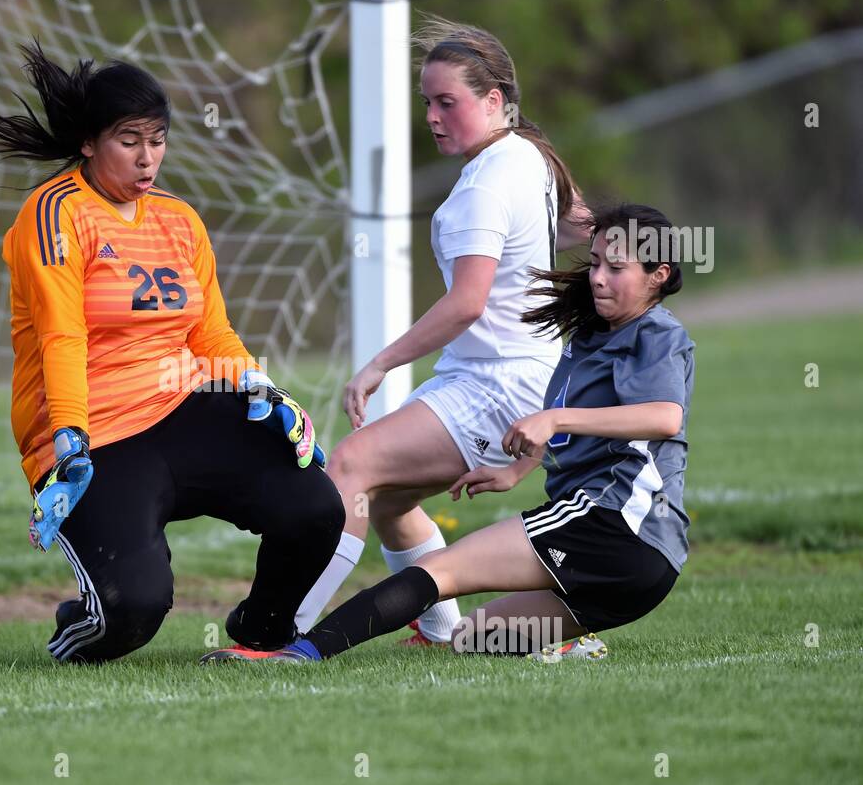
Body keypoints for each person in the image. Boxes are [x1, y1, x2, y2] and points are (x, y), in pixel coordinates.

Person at [0, 42, 342, 663]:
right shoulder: (52, 212)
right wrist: (68, 437)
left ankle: (260, 636)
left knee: (314, 504)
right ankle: (84, 624)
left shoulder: (179, 220)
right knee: (133, 611)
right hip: (94, 436)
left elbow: (210, 335)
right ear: (89, 142)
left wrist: (264, 389)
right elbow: (62, 335)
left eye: (158, 139)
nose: (148, 158)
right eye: (129, 139)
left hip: (178, 406)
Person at [202, 203, 694, 663]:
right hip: (639, 571)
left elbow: (663, 417)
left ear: (659, 275)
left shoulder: (657, 333)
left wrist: (554, 421)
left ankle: (300, 653)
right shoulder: (592, 333)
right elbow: (573, 412)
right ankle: (569, 644)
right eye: (593, 264)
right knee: (470, 639)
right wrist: (518, 469)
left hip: (611, 526)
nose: (598, 279)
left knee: (443, 572)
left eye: (616, 268)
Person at [290, 15, 591, 648]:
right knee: (390, 503)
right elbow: (582, 226)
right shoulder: (530, 156)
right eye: (427, 101)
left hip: (497, 385)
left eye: (446, 102)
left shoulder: (486, 182)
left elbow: (467, 304)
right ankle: (440, 630)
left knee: (350, 464)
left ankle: (280, 633)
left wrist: (377, 364)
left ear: (493, 102)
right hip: (515, 377)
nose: (432, 115)